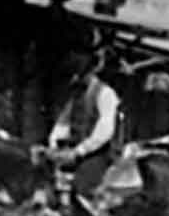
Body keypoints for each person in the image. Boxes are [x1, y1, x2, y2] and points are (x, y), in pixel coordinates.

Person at [47, 45, 123, 207]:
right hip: (75, 151)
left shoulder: (105, 94)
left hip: (99, 153)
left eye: (80, 76)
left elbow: (105, 130)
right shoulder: (76, 95)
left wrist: (80, 151)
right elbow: (63, 122)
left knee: (82, 186)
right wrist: (54, 146)